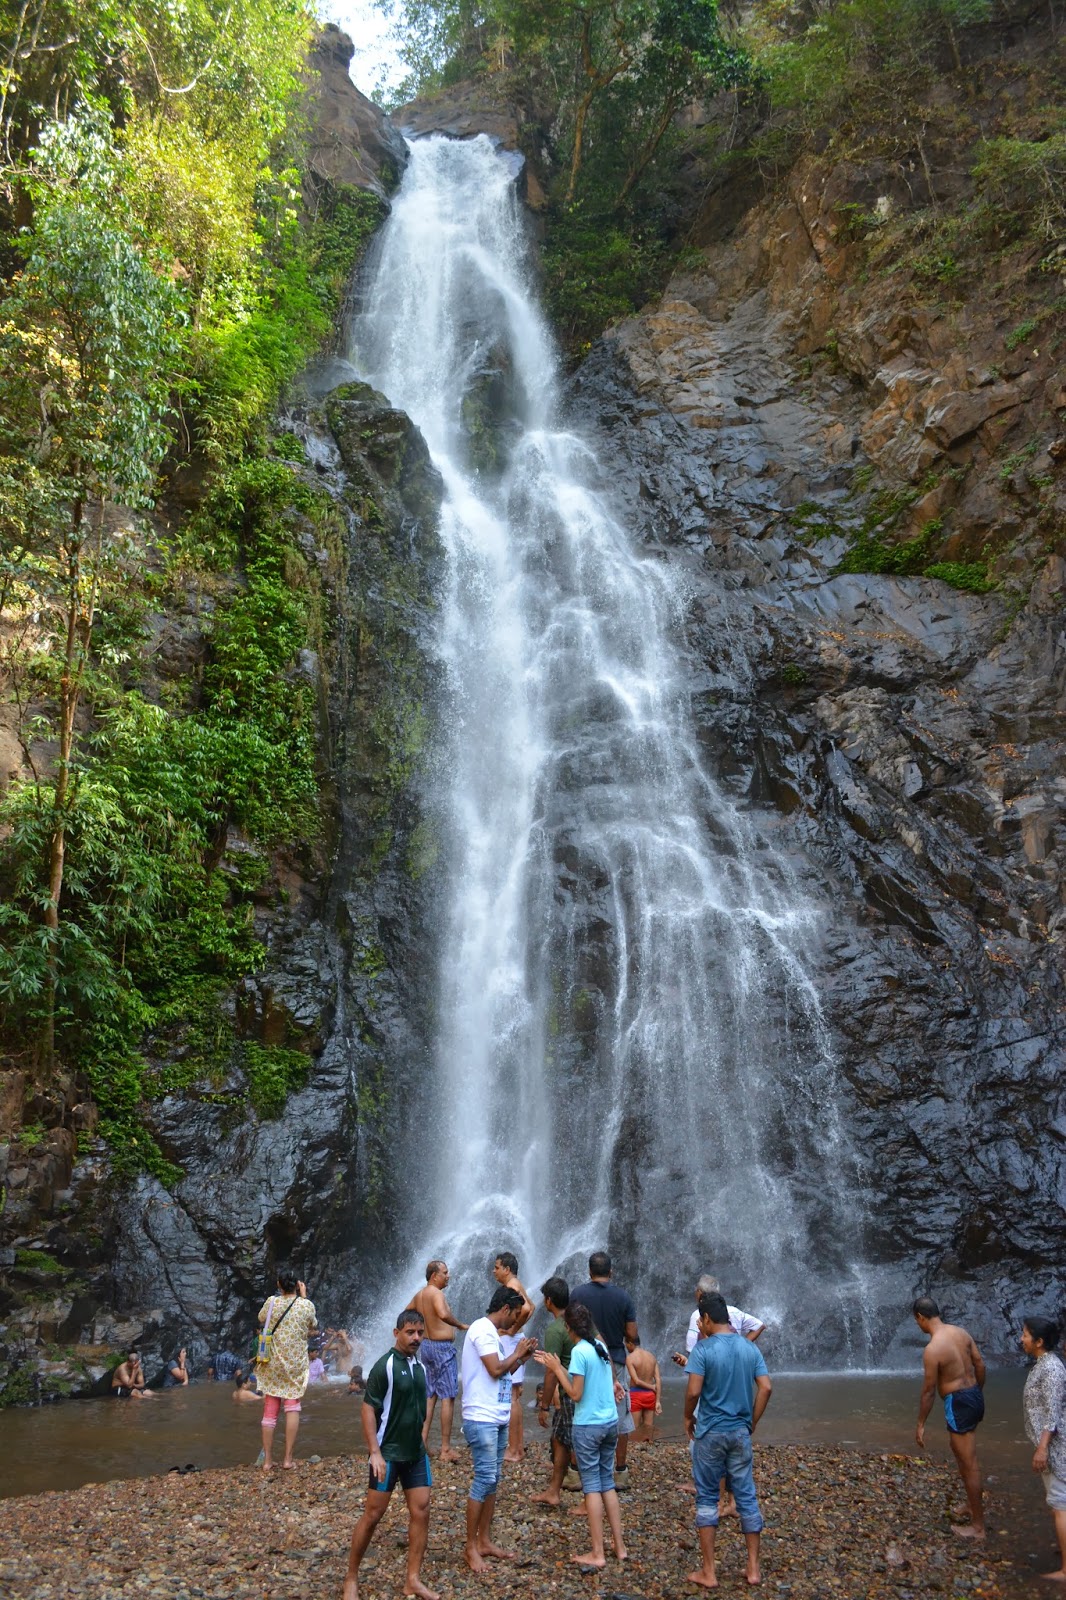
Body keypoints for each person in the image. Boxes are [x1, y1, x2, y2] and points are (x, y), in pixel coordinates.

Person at [342, 1309, 438, 1600]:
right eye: (410, 1332)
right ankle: (351, 1578)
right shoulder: (384, 1366)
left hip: (415, 1454)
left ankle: (412, 1579)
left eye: (420, 1332)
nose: (416, 1337)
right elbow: (368, 1409)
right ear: (397, 1333)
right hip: (388, 1453)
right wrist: (374, 1452)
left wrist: (423, 1441)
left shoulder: (419, 1366)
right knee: (373, 1515)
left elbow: (420, 1407)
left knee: (421, 1511)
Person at [684, 1290, 772, 1590]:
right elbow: (766, 1388)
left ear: (707, 1319)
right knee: (746, 1495)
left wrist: (687, 1416)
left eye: (700, 1321)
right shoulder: (749, 1349)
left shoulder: (703, 1350)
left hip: (710, 1432)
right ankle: (753, 1568)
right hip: (739, 1432)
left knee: (708, 1497)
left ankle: (709, 1572)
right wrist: (752, 1422)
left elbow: (694, 1391)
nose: (700, 1326)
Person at [535, 1300, 627, 1569]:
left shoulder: (578, 1352)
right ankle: (619, 1547)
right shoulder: (599, 1348)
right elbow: (584, 1381)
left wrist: (554, 1370)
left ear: (568, 1327)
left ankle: (597, 1553)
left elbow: (574, 1393)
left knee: (592, 1488)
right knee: (606, 1483)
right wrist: (556, 1367)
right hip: (610, 1423)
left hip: (588, 1428)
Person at [460, 1285, 537, 1573]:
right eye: (515, 1315)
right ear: (504, 1309)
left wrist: (522, 1356)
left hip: (498, 1414)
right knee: (483, 1479)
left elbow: (502, 1371)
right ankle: (470, 1547)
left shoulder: (492, 1333)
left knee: (493, 1480)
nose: (516, 1321)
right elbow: (494, 1369)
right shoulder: (481, 1329)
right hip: (482, 1416)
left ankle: (485, 1541)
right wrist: (516, 1351)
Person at [913, 1295, 986, 1538]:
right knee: (966, 1458)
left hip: (958, 1402)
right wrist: (977, 1393)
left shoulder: (932, 1349)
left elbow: (928, 1392)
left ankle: (978, 1527)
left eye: (917, 1321)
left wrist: (921, 1424)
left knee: (969, 1464)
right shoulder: (961, 1333)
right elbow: (980, 1364)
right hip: (974, 1395)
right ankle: (970, 1506)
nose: (919, 1326)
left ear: (921, 1318)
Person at [570, 1251, 638, 1480]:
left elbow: (569, 1324)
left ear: (589, 1272)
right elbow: (631, 1334)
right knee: (619, 1412)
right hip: (616, 1361)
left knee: (582, 1408)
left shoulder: (578, 1294)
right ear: (611, 1271)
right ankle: (619, 1471)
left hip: (584, 1360)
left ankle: (578, 1469)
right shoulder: (623, 1297)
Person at [256, 1268, 318, 1472]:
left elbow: (261, 1319)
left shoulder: (271, 1302)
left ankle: (267, 1462)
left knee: (270, 1411)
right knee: (292, 1408)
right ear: (297, 1285)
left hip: (273, 1363)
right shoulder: (306, 1305)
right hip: (294, 1364)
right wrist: (304, 1296)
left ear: (279, 1285)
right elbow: (313, 1324)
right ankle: (288, 1459)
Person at [408, 1259, 468, 1462]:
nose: (448, 1275)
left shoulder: (420, 1295)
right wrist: (459, 1325)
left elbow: (406, 1314)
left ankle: (422, 1442)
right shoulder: (437, 1294)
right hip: (442, 1348)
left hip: (426, 1347)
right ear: (434, 1275)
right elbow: (442, 1314)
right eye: (445, 1272)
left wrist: (417, 1333)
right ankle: (445, 1449)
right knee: (448, 1397)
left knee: (430, 1395)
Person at [1021, 1314, 1066, 1580]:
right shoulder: (1043, 1364)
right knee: (1058, 1503)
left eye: (1025, 1335)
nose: (1021, 1339)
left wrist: (1042, 1448)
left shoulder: (1051, 1369)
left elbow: (1053, 1414)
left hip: (1056, 1446)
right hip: (1051, 1444)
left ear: (1038, 1341)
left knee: (1061, 1505)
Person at [532, 1275, 577, 1507]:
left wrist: (544, 1405)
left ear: (549, 1301)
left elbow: (551, 1371)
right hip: (584, 1391)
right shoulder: (580, 1321)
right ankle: (554, 1490)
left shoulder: (556, 1329)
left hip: (569, 1395)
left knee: (572, 1443)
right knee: (561, 1439)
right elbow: (602, 1346)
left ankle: (587, 1499)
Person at [493, 1252, 535, 1463]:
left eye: (497, 1267)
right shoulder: (516, 1283)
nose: (494, 1271)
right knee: (515, 1395)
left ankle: (514, 1450)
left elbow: (527, 1308)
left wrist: (511, 1330)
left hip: (512, 1341)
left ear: (507, 1269)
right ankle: (517, 1447)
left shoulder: (511, 1286)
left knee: (512, 1396)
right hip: (516, 1338)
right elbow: (533, 1306)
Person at [672, 1275, 765, 1367]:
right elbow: (759, 1325)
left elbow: (692, 1352)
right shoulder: (734, 1311)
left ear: (699, 1293)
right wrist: (742, 1347)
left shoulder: (698, 1316)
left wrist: (688, 1363)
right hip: (735, 1365)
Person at [625, 1334, 661, 1439]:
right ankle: (648, 1449)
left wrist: (651, 1387)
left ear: (630, 1343)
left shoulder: (630, 1358)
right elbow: (658, 1379)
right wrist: (658, 1400)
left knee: (635, 1428)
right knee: (648, 1428)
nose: (626, 1347)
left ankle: (637, 1448)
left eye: (626, 1344)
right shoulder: (651, 1357)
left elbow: (636, 1380)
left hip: (636, 1395)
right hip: (650, 1396)